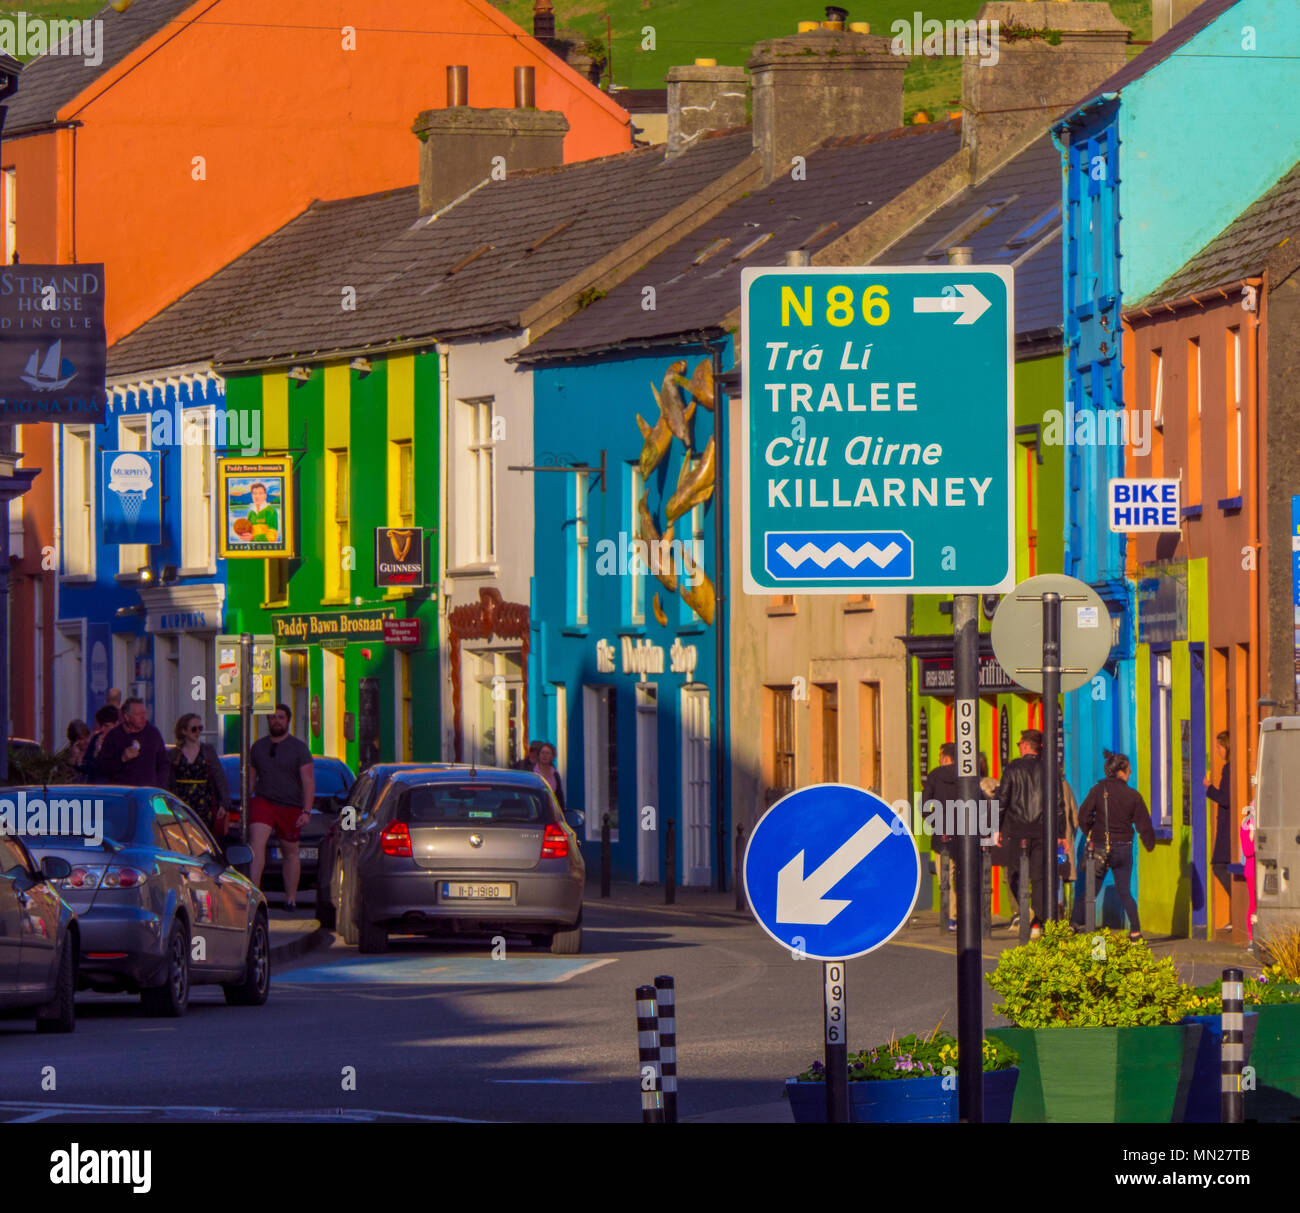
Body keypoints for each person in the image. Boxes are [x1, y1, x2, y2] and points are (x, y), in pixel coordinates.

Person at [1071, 751, 1156, 939]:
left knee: (1090, 889)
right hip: (1123, 847)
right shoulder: (1133, 795)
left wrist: (1092, 832)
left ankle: (1074, 924)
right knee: (1124, 891)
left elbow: (1083, 816)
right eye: (1128, 769)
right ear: (1120, 771)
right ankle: (1135, 931)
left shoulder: (1097, 790)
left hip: (1100, 846)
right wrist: (1149, 843)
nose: (1131, 772)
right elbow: (1144, 823)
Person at [995, 728, 1065, 939]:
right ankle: (1038, 921)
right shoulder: (1050, 769)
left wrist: (996, 828)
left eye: (1019, 744)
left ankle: (1030, 914)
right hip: (1043, 830)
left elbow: (1002, 801)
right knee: (1039, 876)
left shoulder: (1012, 769)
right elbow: (1059, 804)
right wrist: (1060, 832)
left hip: (1018, 830)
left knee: (1014, 875)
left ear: (1025, 746)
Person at [248, 704, 314, 910]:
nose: (276, 721)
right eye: (272, 717)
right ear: (267, 720)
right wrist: (244, 803)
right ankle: (253, 895)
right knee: (256, 847)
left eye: (280, 717)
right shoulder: (257, 747)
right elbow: (250, 779)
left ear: (288, 720)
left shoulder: (299, 748)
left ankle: (291, 898)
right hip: (263, 801)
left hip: (290, 805)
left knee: (290, 853)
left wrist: (307, 810)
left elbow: (308, 780)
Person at [169, 713, 231, 841]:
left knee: (203, 838)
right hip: (181, 801)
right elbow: (168, 779)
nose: (197, 732)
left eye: (200, 728)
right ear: (184, 731)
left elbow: (219, 776)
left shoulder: (207, 750)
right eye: (194, 729)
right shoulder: (175, 753)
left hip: (204, 802)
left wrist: (224, 804)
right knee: (181, 837)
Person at [922, 743, 960, 931]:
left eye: (939, 756)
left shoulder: (935, 775)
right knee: (961, 876)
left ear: (946, 758)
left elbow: (923, 804)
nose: (938, 759)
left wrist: (934, 822)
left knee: (944, 877)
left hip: (942, 834)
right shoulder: (966, 774)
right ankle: (962, 915)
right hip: (964, 832)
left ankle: (951, 918)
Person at [95, 697, 172, 788]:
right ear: (127, 717)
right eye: (138, 714)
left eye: (144, 713)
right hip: (123, 793)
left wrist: (159, 786)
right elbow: (102, 768)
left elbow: (163, 764)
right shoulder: (114, 736)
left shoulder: (153, 734)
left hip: (148, 792)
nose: (143, 717)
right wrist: (122, 759)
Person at [1204, 731, 1232, 909]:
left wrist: (1209, 788)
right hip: (1228, 826)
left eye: (1220, 747)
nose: (1218, 751)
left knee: (1219, 866)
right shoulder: (1230, 767)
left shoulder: (1228, 768)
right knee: (1223, 867)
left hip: (1228, 827)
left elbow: (1225, 798)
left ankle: (1238, 906)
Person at [80, 704, 120, 781]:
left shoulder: (121, 741)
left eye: (106, 726)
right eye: (101, 725)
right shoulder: (96, 738)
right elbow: (87, 766)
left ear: (116, 724)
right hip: (95, 785)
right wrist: (96, 752)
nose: (102, 729)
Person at [533, 742, 565, 809]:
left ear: (552, 757)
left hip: (551, 812)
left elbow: (559, 796)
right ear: (538, 755)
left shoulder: (555, 774)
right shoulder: (532, 773)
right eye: (542, 753)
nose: (544, 756)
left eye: (547, 753)